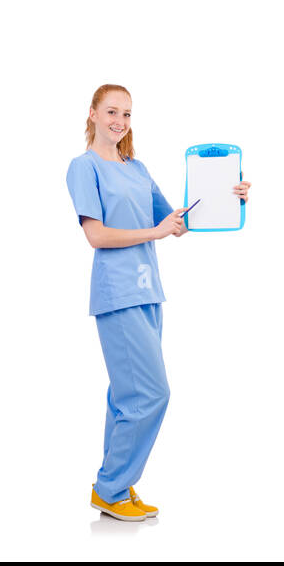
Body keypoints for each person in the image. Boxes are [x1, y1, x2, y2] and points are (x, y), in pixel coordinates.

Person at [66, 84, 251, 521]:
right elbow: (97, 235)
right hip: (117, 294)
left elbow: (177, 222)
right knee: (152, 393)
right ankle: (110, 489)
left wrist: (231, 196)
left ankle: (116, 486)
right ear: (92, 114)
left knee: (126, 396)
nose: (120, 121)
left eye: (127, 114)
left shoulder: (137, 168)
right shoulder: (83, 167)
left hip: (149, 291)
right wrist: (156, 232)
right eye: (112, 111)